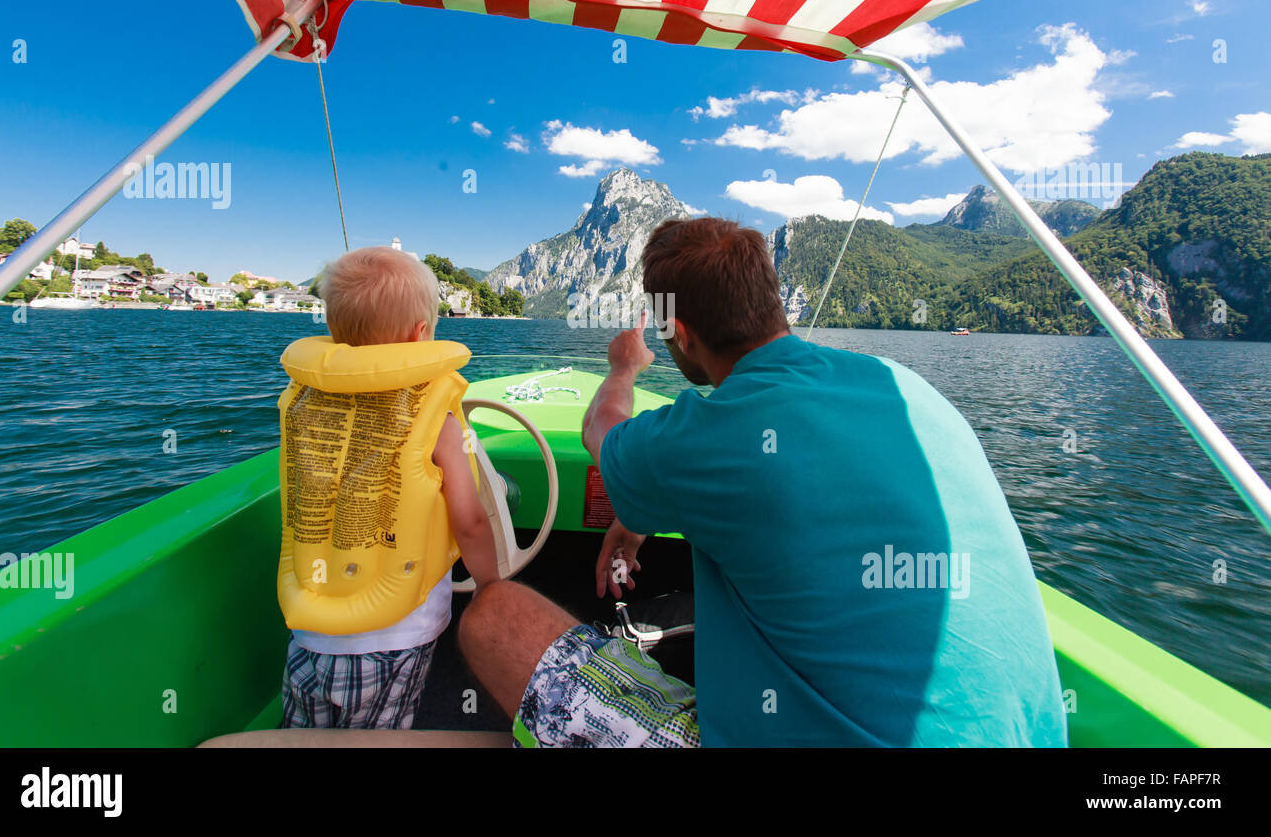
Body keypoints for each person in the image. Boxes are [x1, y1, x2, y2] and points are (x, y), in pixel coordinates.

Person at [460, 217, 1068, 747]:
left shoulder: (718, 429)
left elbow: (602, 430)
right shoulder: (905, 387)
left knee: (495, 614)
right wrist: (642, 510)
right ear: (772, 302)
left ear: (683, 335)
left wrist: (625, 366)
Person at [278, 246, 497, 729]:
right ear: (420, 334)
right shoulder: (435, 415)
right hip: (395, 634)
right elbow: (470, 519)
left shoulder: (305, 403)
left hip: (309, 630)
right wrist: (489, 586)